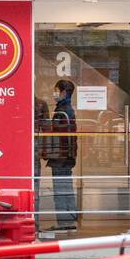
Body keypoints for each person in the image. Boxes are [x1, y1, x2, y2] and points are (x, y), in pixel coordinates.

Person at [45, 79, 78, 231]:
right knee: (66, 188)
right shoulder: (65, 108)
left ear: (63, 92)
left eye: (56, 90)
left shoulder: (63, 110)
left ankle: (65, 222)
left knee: (60, 189)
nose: (55, 94)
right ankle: (69, 221)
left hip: (61, 156)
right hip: (66, 156)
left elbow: (59, 135)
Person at [33, 97, 49, 229]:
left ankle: (33, 221)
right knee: (35, 186)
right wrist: (45, 150)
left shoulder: (20, 101)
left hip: (29, 146)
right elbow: (46, 129)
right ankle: (35, 223)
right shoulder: (41, 104)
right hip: (36, 147)